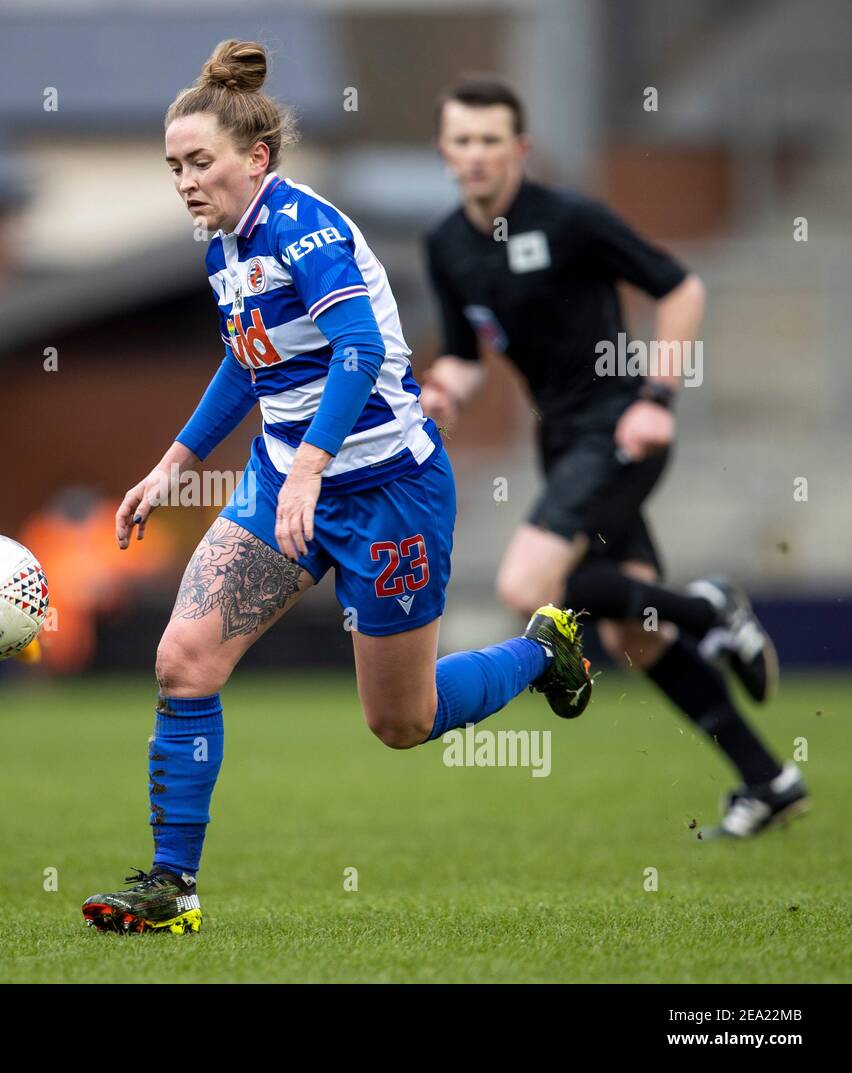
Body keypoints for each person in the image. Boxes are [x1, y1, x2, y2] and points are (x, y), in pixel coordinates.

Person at [80, 41, 593, 935]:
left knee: (401, 720)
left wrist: (313, 464)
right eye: (174, 167)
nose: (185, 181)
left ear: (257, 158)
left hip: (389, 490)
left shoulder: (304, 230)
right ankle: (171, 888)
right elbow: (249, 367)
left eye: (200, 162)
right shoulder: (222, 251)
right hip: (284, 482)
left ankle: (541, 655)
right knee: (183, 659)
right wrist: (175, 462)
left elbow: (358, 351)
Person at [420, 75, 806, 839]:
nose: (475, 155)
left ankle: (711, 606)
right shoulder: (446, 246)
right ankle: (769, 775)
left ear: (520, 148)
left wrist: (657, 399)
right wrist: (441, 393)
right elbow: (466, 356)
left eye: (491, 139)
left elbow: (682, 286)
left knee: (525, 585)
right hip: (562, 440)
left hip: (620, 428)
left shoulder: (571, 219)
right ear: (443, 150)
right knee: (636, 633)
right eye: (461, 140)